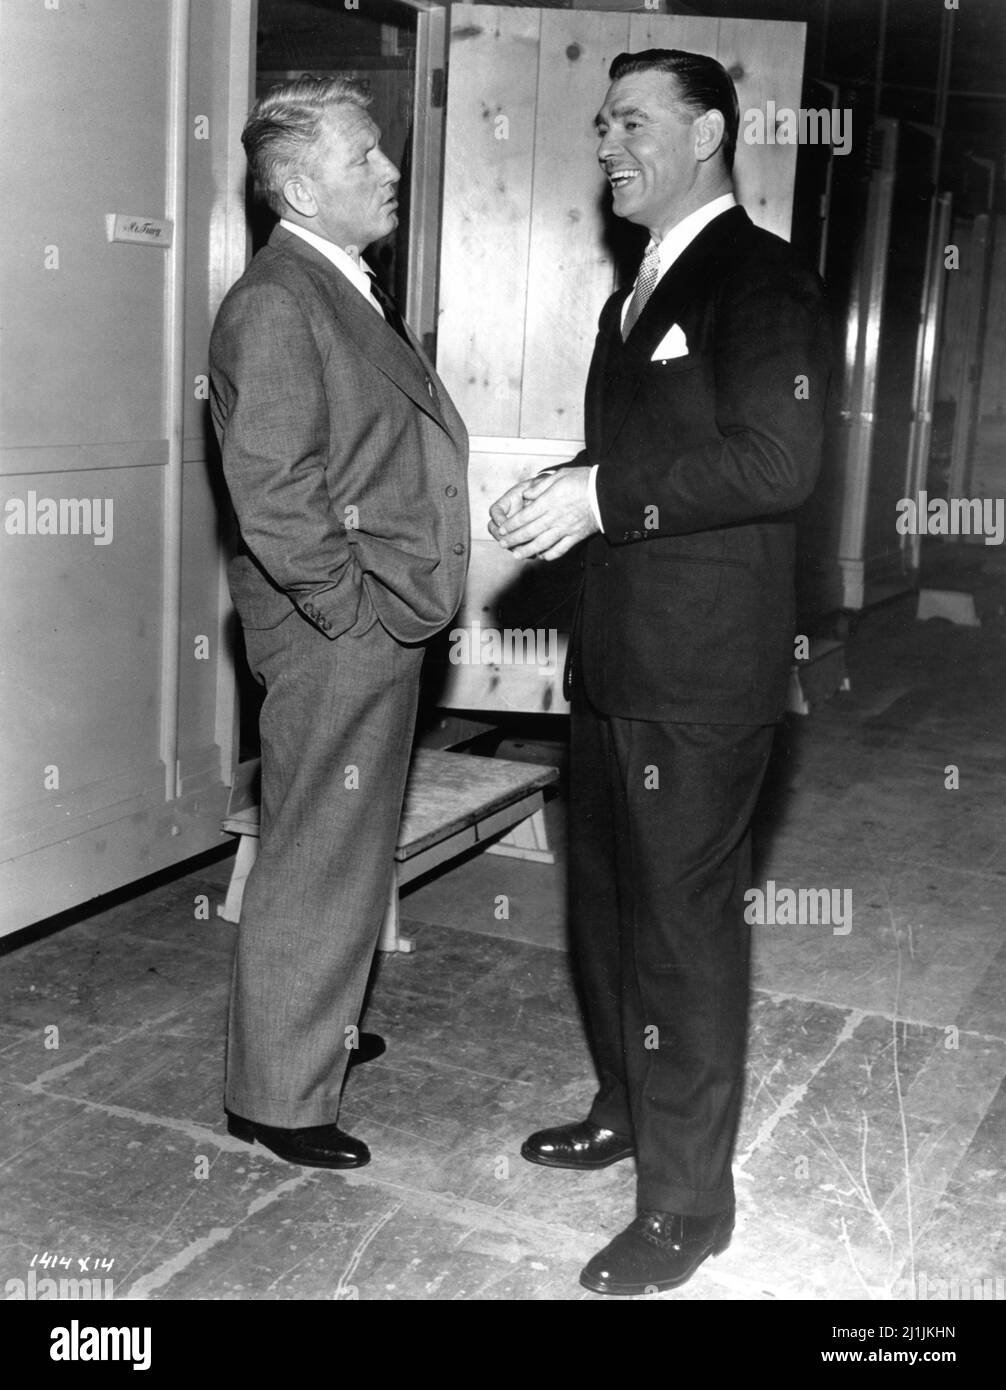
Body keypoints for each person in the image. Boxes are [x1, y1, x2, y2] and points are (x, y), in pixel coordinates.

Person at [489, 49, 830, 1294]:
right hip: (618, 655)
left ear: (711, 134)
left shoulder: (760, 278)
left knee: (682, 934)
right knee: (606, 906)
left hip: (702, 673)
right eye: (600, 123)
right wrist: (566, 478)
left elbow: (775, 461)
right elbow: (659, 446)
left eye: (633, 122)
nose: (607, 145)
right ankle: (627, 1111)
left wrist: (601, 494)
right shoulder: (636, 289)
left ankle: (689, 1206)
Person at [209, 76, 469, 1170]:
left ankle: (310, 1035)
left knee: (347, 846)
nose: (391, 170)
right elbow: (274, 488)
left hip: (365, 620)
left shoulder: (334, 282)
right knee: (318, 851)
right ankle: (277, 1098)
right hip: (339, 628)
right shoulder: (277, 301)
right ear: (303, 189)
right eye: (366, 157)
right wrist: (349, 613)